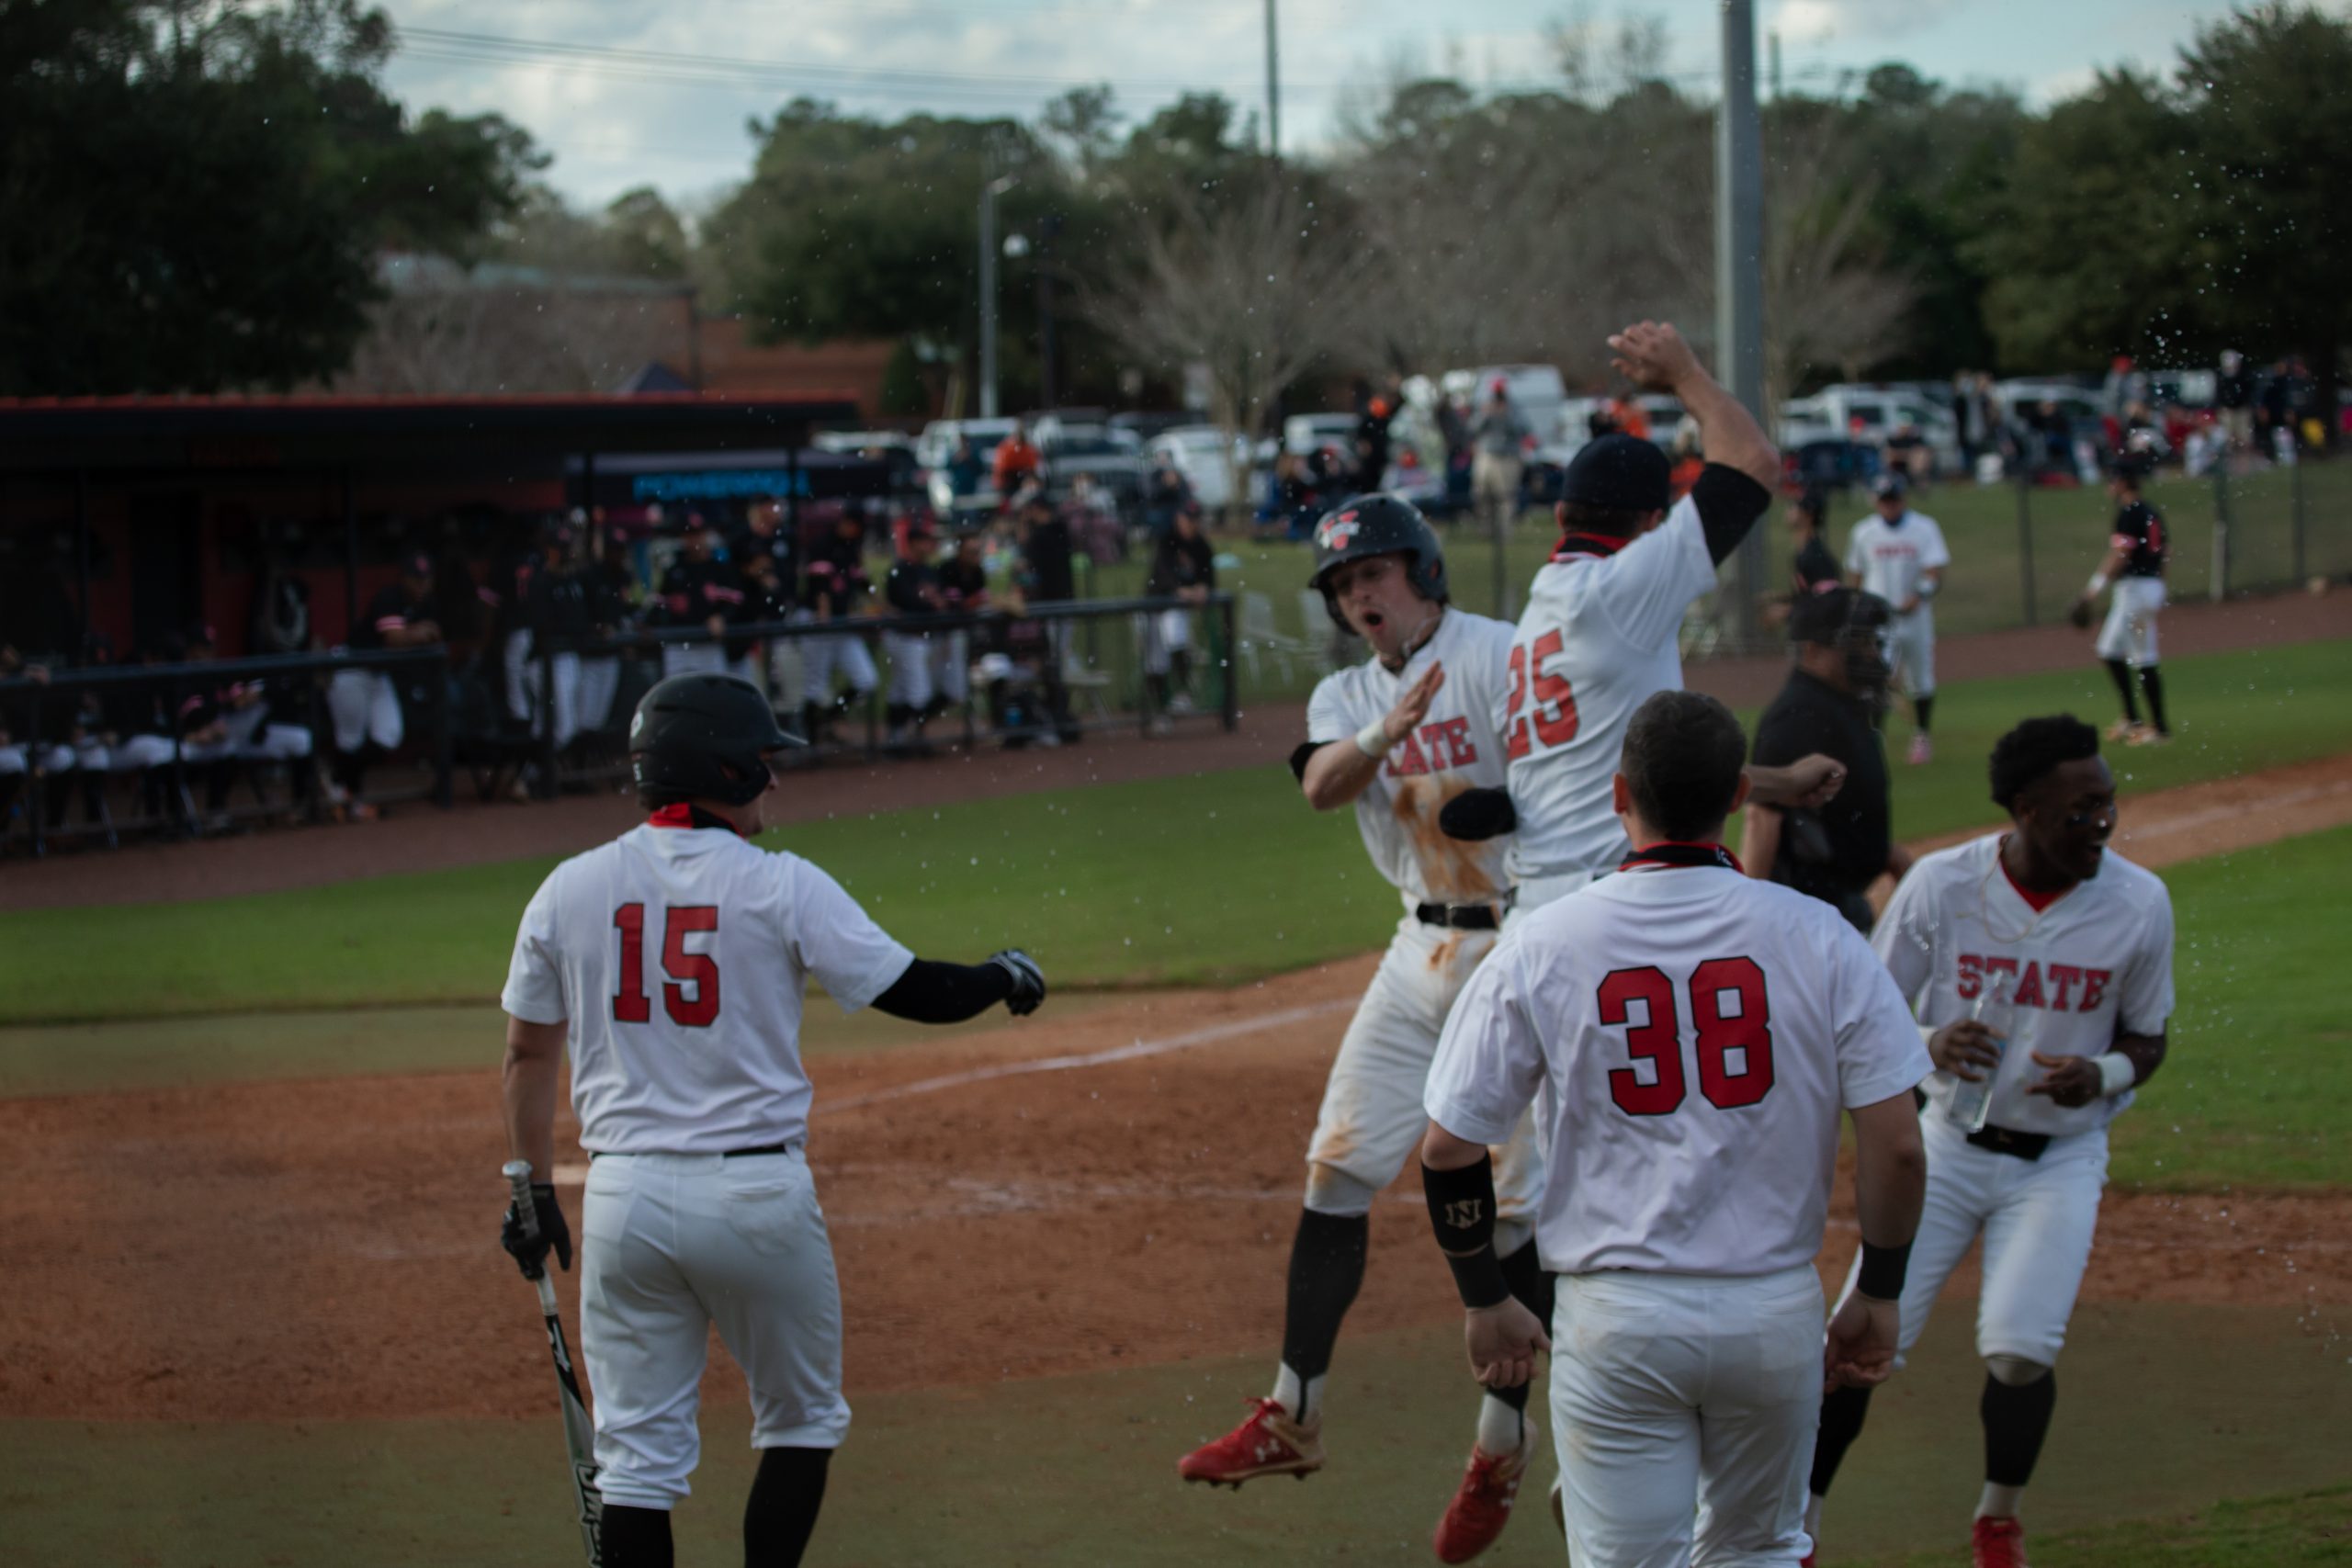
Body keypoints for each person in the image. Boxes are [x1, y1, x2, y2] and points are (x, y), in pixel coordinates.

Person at [497, 672, 1046, 1568]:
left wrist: (528, 1189)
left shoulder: (567, 888)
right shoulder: (779, 884)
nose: (774, 781)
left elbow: (526, 1055)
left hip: (624, 1199)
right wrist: (1001, 976)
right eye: (761, 760)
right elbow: (916, 991)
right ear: (719, 767)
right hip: (754, 1196)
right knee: (800, 1420)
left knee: (635, 1464)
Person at [1419, 689, 1929, 1568]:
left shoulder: (1545, 942)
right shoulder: (1820, 935)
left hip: (1617, 1316)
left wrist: (1484, 1297)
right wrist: (1878, 1293)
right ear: (1740, 794)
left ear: (1620, 795)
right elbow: (1899, 1141)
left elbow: (1449, 1148)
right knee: (1761, 1552)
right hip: (1771, 1309)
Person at [1178, 494, 1550, 1565]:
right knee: (1336, 1170)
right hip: (1414, 950)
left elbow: (1560, 775)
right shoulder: (1344, 692)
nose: (1360, 600)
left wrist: (1509, 801)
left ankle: (1499, 1446)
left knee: (1512, 1211)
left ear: (1422, 569)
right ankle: (1292, 1414)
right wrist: (1385, 730)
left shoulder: (1502, 654)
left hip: (1514, 945)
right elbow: (1319, 785)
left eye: (1373, 577)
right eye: (1344, 589)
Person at [1805, 716, 2174, 1568]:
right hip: (1944, 1148)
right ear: (2025, 809)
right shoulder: (1942, 885)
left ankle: (1997, 1519)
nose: (2104, 824)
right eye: (2082, 810)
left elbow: (2150, 1037)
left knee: (2019, 1348)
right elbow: (1869, 1007)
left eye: (2109, 804)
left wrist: (2106, 1073)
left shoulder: (2138, 902)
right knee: (1855, 1344)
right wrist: (1929, 1040)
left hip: (2061, 1158)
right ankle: (1799, 1524)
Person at [1476, 320, 1838, 917]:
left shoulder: (1537, 616)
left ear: (1563, 512)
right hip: (1607, 903)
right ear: (1651, 523)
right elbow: (1752, 462)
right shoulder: (1618, 590)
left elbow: (1632, 769)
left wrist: (1780, 782)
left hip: (1536, 911)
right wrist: (1685, 375)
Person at [1743, 587, 1907, 932]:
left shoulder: (1841, 704)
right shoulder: (1795, 717)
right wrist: (1748, 924)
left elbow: (1846, 810)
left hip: (1840, 908)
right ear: (1812, 650)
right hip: (1806, 919)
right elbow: (1761, 818)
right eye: (1857, 644)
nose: (1870, 653)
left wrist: (1895, 861)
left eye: (1872, 642)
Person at [1844, 472, 1950, 765]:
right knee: (1876, 679)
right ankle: (1875, 737)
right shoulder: (1864, 532)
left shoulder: (1924, 528)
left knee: (1921, 678)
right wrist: (1857, 613)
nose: (1889, 506)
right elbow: (1855, 575)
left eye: (1893, 499)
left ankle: (1922, 735)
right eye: (1884, 500)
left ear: (1903, 499)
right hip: (1879, 620)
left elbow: (1934, 574)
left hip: (1914, 617)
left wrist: (1918, 595)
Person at [327, 552, 439, 820]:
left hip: (378, 675)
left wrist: (417, 633)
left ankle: (334, 780)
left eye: (425, 580)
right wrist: (418, 633)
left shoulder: (426, 604)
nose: (421, 586)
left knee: (388, 734)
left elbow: (436, 632)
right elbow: (393, 639)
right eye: (416, 580)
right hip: (350, 670)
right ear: (404, 579)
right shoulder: (389, 597)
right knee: (350, 740)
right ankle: (348, 797)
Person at [2072, 457, 2171, 746]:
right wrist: (2158, 585)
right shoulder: (2151, 512)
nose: (2109, 485)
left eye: (2113, 479)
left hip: (2136, 589)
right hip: (2147, 586)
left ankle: (2159, 729)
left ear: (2124, 482)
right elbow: (2167, 551)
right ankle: (2133, 718)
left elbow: (2121, 555)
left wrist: (2093, 589)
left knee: (2143, 656)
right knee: (2108, 649)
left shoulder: (2129, 512)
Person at [794, 509, 879, 747]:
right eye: (853, 525)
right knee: (815, 685)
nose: (855, 531)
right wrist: (825, 613)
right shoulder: (823, 543)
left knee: (866, 680)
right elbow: (819, 583)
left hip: (841, 623)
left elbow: (862, 581)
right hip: (815, 619)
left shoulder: (852, 547)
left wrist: (880, 604)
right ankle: (808, 741)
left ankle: (826, 719)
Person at [1139, 507, 1213, 728]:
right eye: (1188, 519)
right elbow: (1164, 575)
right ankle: (1158, 711)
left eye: (1195, 520)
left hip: (1176, 610)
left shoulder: (1200, 545)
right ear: (1178, 519)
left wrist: (1203, 587)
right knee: (1155, 662)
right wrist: (1180, 589)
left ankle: (1181, 694)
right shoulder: (1167, 541)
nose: (1192, 524)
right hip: (1154, 608)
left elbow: (1208, 575)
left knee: (1176, 639)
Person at [654, 521, 747, 681]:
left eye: (698, 535)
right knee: (676, 696)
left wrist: (722, 617)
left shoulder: (719, 569)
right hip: (679, 645)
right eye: (689, 535)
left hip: (709, 645)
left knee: (714, 697)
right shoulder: (674, 569)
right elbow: (660, 605)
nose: (694, 540)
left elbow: (737, 601)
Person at [1469, 381, 1530, 542]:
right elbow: (1473, 429)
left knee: (1506, 497)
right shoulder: (1486, 406)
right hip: (1486, 457)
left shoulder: (1514, 407)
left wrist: (1506, 415)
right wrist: (1486, 414)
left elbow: (1523, 429)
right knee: (1483, 495)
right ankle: (1486, 531)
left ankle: (1505, 533)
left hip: (1507, 458)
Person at [990, 420, 1040, 499]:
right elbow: (1001, 471)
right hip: (1008, 480)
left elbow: (1032, 469)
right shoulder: (1006, 448)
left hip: (1022, 477)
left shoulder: (1028, 449)